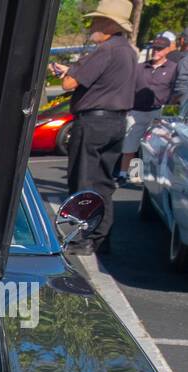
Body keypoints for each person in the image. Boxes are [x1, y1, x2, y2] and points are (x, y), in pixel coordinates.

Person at [48, 0, 137, 255]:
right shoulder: (127, 50)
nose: (92, 25)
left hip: (94, 122)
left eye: (97, 20)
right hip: (116, 121)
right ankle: (100, 236)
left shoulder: (105, 50)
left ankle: (83, 238)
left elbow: (69, 83)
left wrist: (69, 71)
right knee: (103, 182)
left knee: (84, 181)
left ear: (110, 24)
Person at [119, 34, 178, 183]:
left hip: (159, 112)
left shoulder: (173, 68)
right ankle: (128, 175)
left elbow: (176, 92)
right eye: (154, 48)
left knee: (156, 147)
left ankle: (155, 177)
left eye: (159, 49)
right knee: (130, 145)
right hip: (137, 110)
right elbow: (129, 87)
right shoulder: (140, 67)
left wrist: (170, 114)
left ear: (166, 50)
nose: (155, 51)